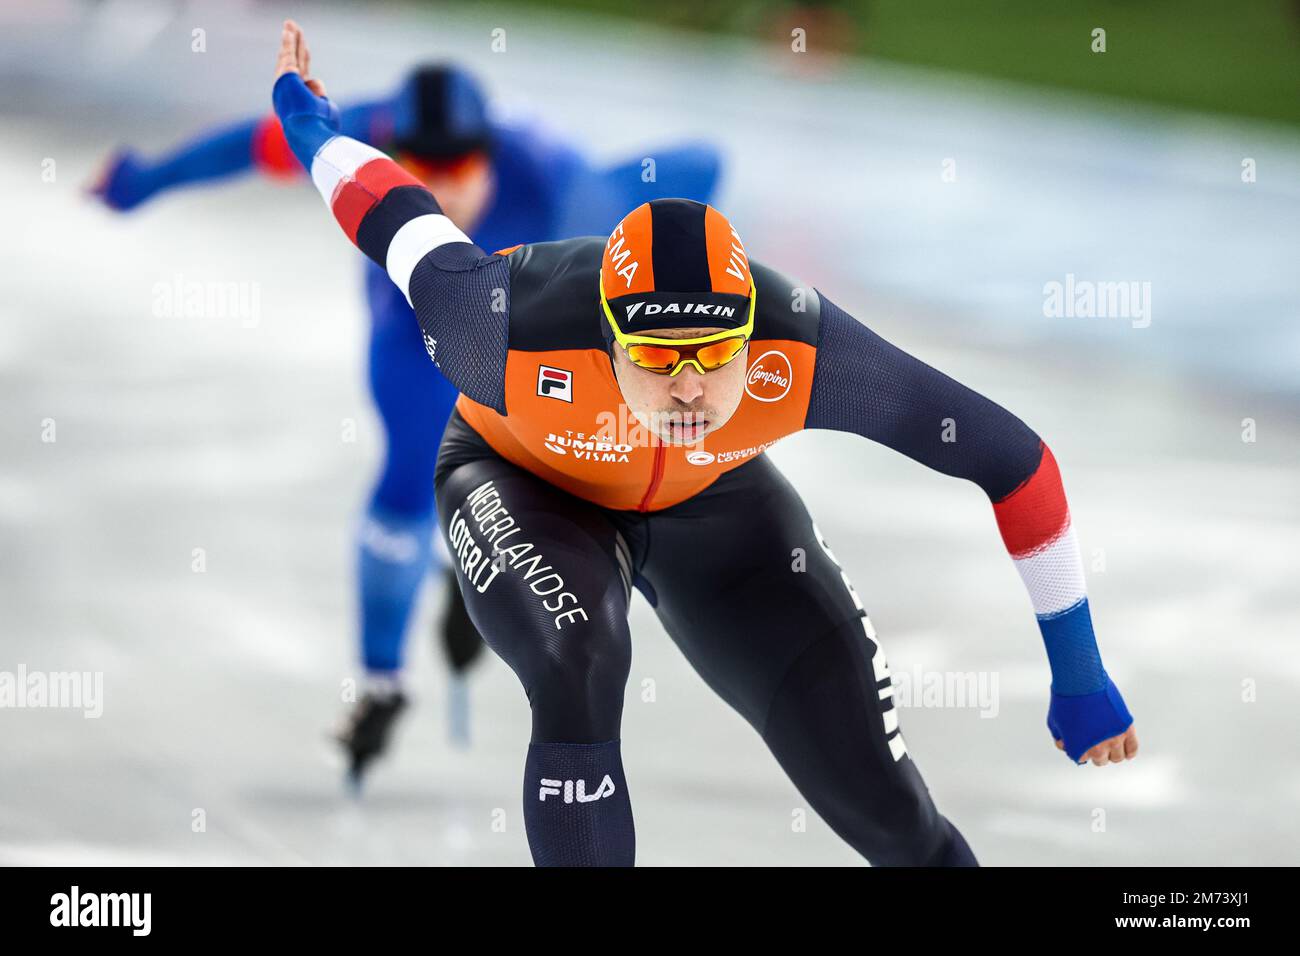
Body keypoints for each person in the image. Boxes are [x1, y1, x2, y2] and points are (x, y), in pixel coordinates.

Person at [269, 20, 1138, 866]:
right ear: (606, 337)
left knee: (890, 814)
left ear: (753, 340)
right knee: (581, 655)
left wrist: (1081, 674)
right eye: (655, 357)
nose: (687, 386)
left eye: (714, 356)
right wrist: (311, 123)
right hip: (522, 482)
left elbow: (1015, 461)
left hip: (711, 505)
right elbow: (394, 215)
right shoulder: (495, 321)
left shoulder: (808, 354)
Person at [91, 58, 723, 784]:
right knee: (404, 484)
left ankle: (470, 559)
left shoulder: (559, 184)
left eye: (461, 166)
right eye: (422, 166)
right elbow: (255, 145)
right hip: (411, 328)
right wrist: (145, 181)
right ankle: (381, 683)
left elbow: (701, 165)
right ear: (394, 154)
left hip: (526, 339)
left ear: (491, 155)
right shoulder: (362, 135)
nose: (444, 186)